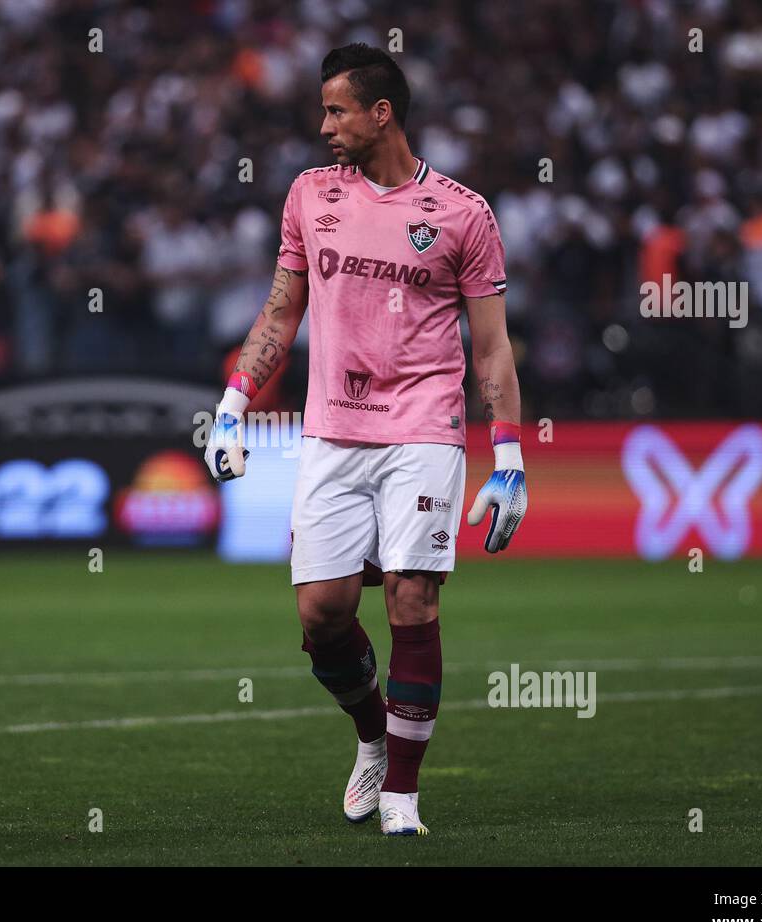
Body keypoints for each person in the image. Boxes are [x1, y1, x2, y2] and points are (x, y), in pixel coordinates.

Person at [204, 43, 527, 836]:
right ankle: (374, 736)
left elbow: (491, 346)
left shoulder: (462, 213)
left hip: (425, 425)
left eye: (337, 110)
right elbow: (282, 313)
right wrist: (232, 402)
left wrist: (511, 454)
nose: (324, 128)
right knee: (322, 612)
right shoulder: (310, 196)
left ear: (382, 114)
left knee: (413, 596)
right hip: (333, 430)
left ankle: (403, 799)